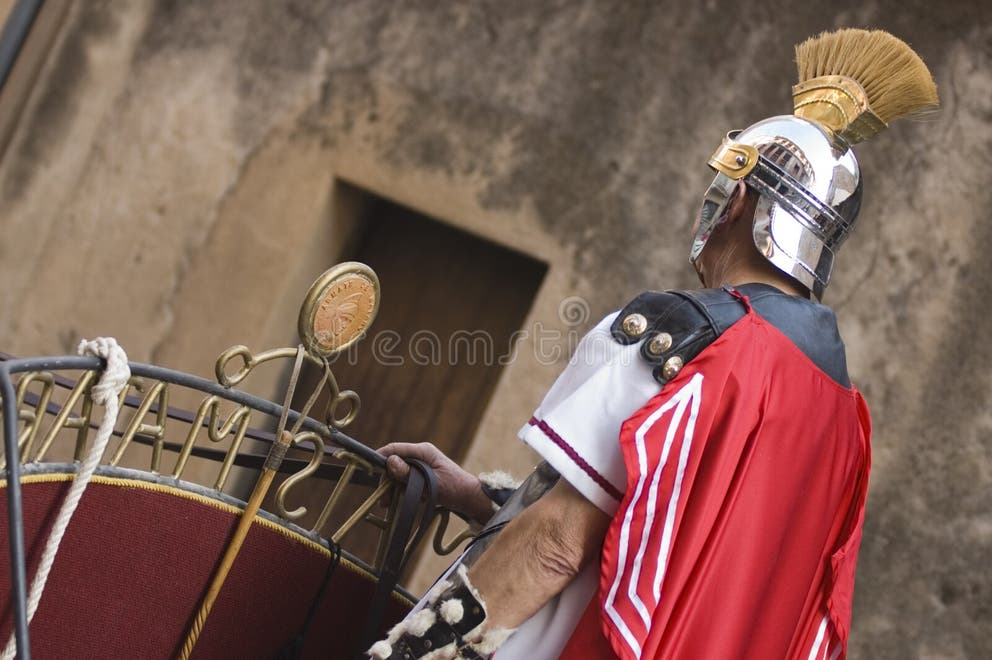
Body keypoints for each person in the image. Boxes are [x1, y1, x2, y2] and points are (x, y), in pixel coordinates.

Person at [368, 28, 938, 660]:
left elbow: (558, 543)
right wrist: (477, 498)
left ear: (740, 202)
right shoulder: (843, 422)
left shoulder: (688, 335)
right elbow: (675, 548)